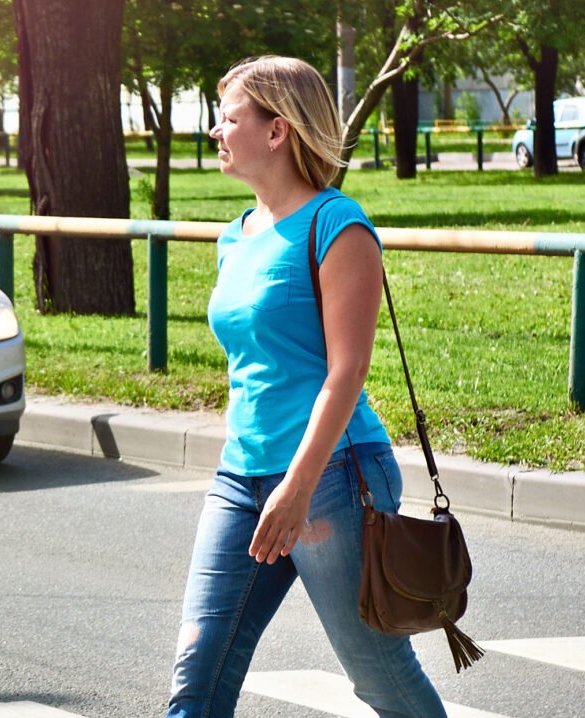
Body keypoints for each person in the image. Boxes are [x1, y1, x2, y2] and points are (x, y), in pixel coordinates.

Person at [167, 55, 447, 718]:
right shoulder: (236, 236)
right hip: (242, 476)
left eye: (228, 118)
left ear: (276, 132)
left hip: (332, 475)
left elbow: (347, 369)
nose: (215, 131)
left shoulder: (337, 225)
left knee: (379, 675)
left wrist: (296, 489)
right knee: (196, 675)